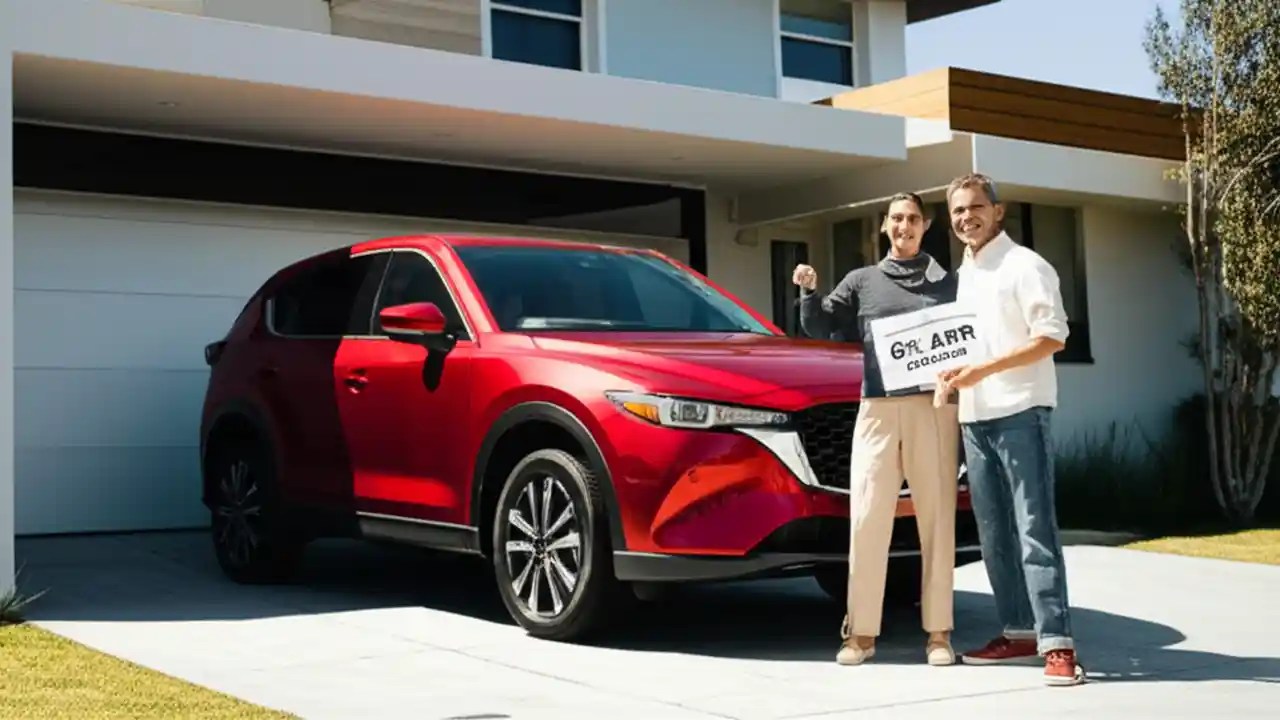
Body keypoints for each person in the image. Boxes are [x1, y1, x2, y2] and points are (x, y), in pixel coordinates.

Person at [793, 192, 960, 667]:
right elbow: (820, 325)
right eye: (896, 219)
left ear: (925, 225)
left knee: (937, 520)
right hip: (878, 409)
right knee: (867, 518)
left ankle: (940, 634)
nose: (904, 226)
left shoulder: (948, 285)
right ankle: (860, 633)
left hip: (934, 408)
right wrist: (808, 290)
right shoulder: (862, 281)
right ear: (884, 227)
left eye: (912, 219)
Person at [937, 173, 1085, 687]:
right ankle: (1020, 633)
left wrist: (982, 371)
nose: (965, 217)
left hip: (1021, 411)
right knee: (994, 533)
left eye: (975, 207)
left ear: (997, 211)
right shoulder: (967, 272)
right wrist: (954, 373)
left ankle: (1058, 644)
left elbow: (1053, 337)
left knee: (1034, 529)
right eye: (957, 210)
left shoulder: (1026, 265)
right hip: (974, 418)